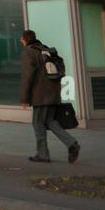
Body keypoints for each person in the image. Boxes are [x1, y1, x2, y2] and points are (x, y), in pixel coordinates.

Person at [19, 29, 79, 163]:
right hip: (53, 93)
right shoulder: (45, 50)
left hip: (40, 95)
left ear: (25, 40)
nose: (21, 42)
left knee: (37, 123)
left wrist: (24, 98)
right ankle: (72, 144)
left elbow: (27, 77)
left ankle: (43, 154)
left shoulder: (29, 52)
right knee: (50, 121)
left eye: (21, 40)